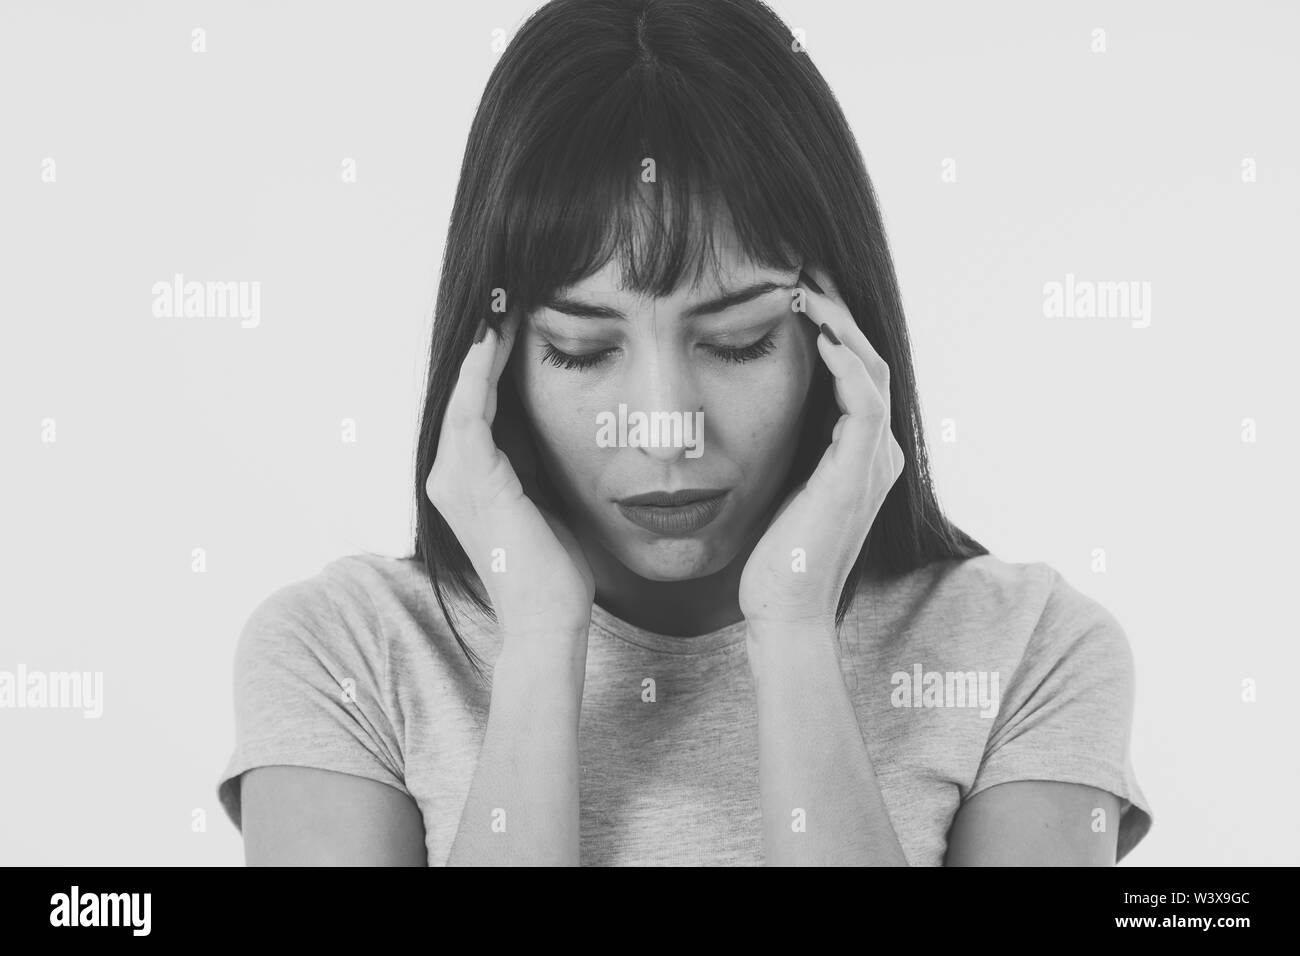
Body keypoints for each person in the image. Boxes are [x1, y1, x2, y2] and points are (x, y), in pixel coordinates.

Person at [217, 0, 1152, 865]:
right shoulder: (342, 657)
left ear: (838, 342)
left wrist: (791, 632)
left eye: (740, 343)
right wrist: (541, 640)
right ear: (491, 355)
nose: (664, 428)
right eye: (581, 351)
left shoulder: (1028, 651)